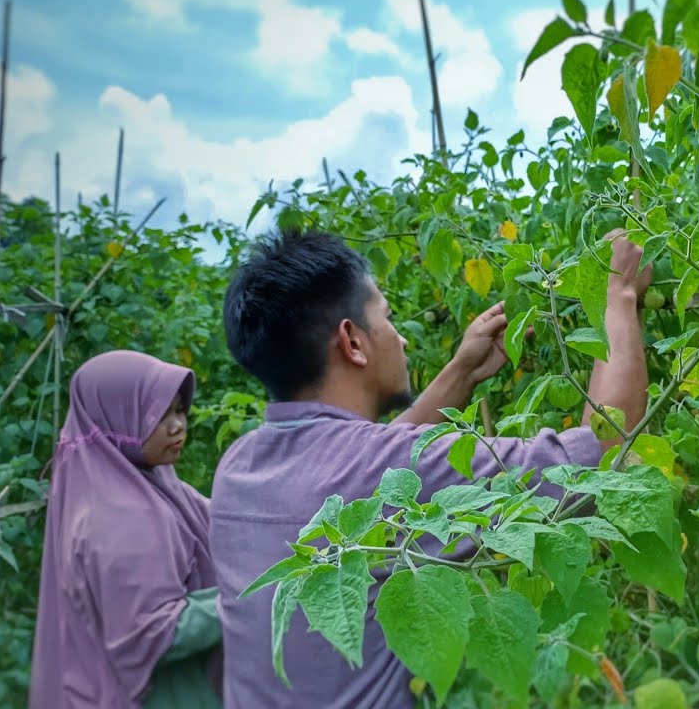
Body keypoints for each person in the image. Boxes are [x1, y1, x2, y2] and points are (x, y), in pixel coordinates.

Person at [209, 227, 650, 708]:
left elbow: (358, 464)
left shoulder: (237, 467)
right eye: (387, 318)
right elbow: (599, 458)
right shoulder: (376, 466)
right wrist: (617, 293)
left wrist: (463, 372)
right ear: (352, 341)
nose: (400, 338)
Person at [29, 350, 223, 709]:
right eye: (158, 415)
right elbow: (154, 633)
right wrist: (245, 601)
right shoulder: (119, 514)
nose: (177, 426)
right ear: (115, 418)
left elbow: (225, 521)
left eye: (179, 410)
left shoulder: (140, 480)